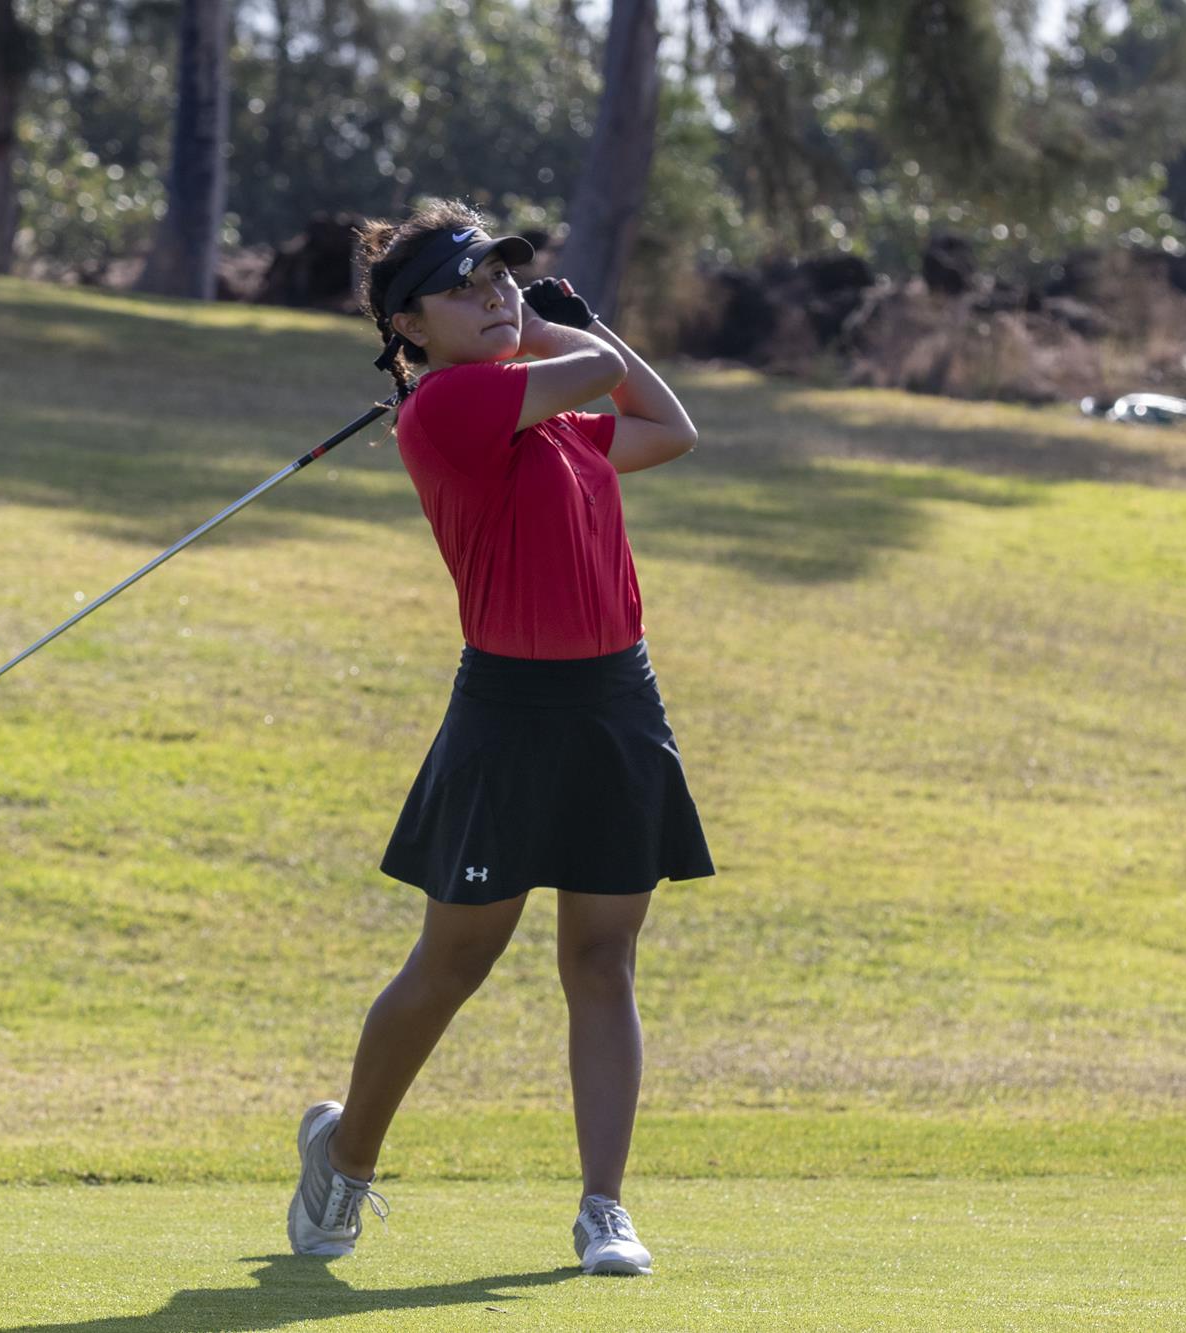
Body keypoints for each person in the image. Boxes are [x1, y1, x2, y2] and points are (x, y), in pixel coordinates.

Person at [285, 199, 714, 1277]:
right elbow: (592, 376)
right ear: (409, 326)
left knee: (603, 958)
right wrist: (571, 327)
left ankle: (602, 1206)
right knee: (453, 961)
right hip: (509, 714)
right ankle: (344, 1155)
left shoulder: (549, 415)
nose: (498, 297)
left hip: (618, 699)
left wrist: (564, 321)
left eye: (505, 280)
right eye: (468, 287)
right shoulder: (444, 413)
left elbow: (670, 429)